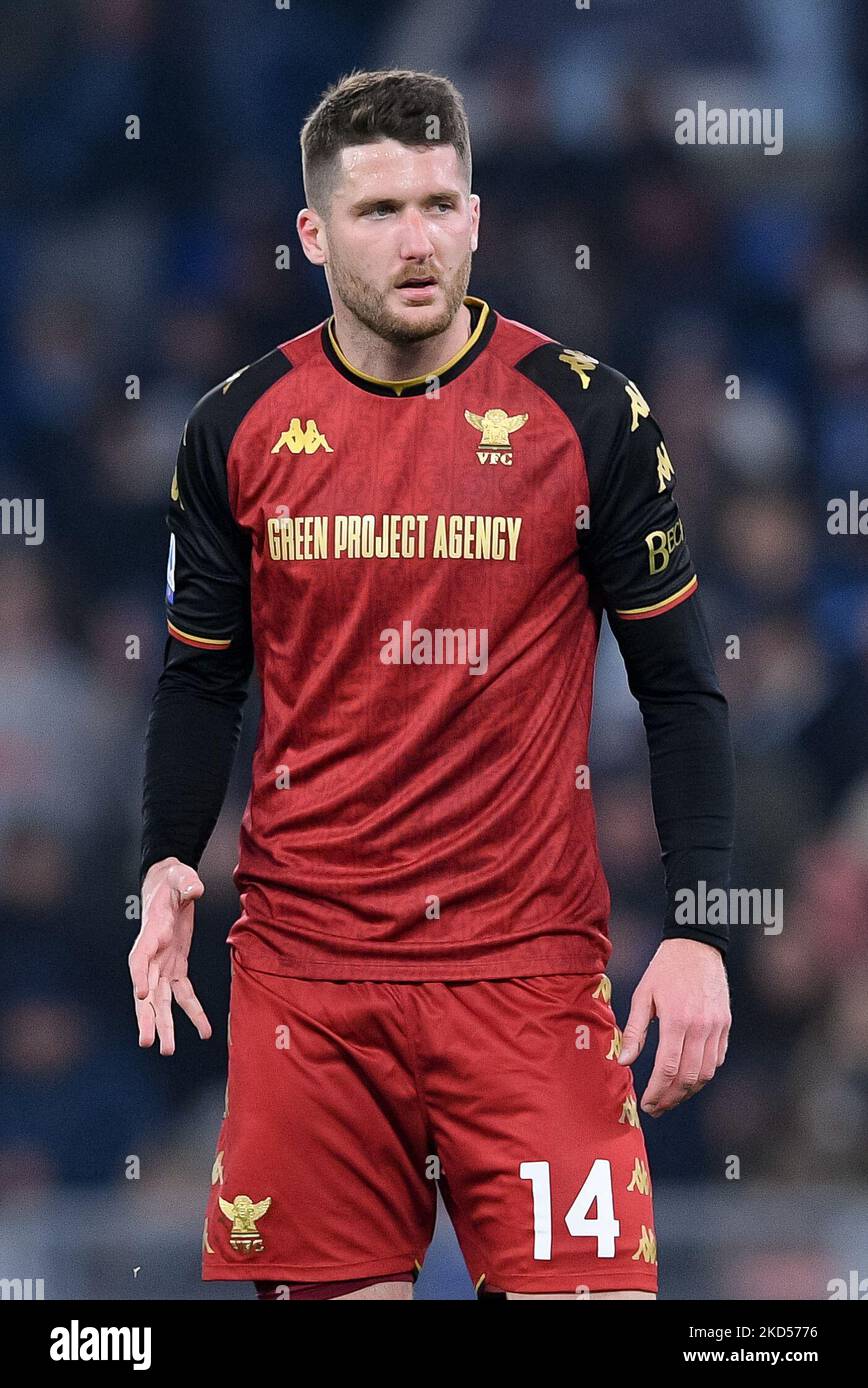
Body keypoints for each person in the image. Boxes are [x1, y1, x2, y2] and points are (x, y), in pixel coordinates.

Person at [131, 67, 734, 1301]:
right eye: (377, 211)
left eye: (439, 203)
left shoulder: (589, 415)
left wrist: (700, 924)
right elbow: (200, 681)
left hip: (529, 976)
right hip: (310, 979)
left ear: (474, 215)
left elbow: (679, 688)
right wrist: (166, 854)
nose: (416, 240)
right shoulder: (235, 429)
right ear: (311, 233)